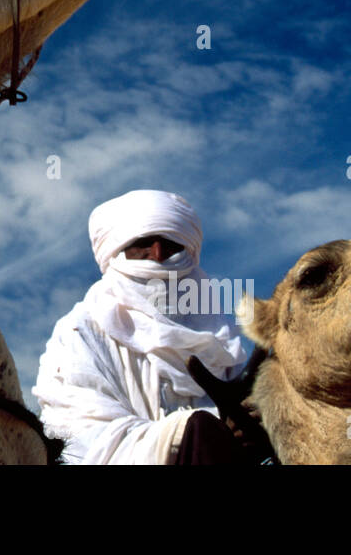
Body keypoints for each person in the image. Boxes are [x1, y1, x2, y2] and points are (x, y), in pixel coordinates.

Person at [33, 190, 250, 464]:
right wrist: (188, 433)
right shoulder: (80, 332)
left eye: (172, 245)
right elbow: (80, 436)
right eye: (143, 243)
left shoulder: (219, 337)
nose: (158, 256)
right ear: (117, 252)